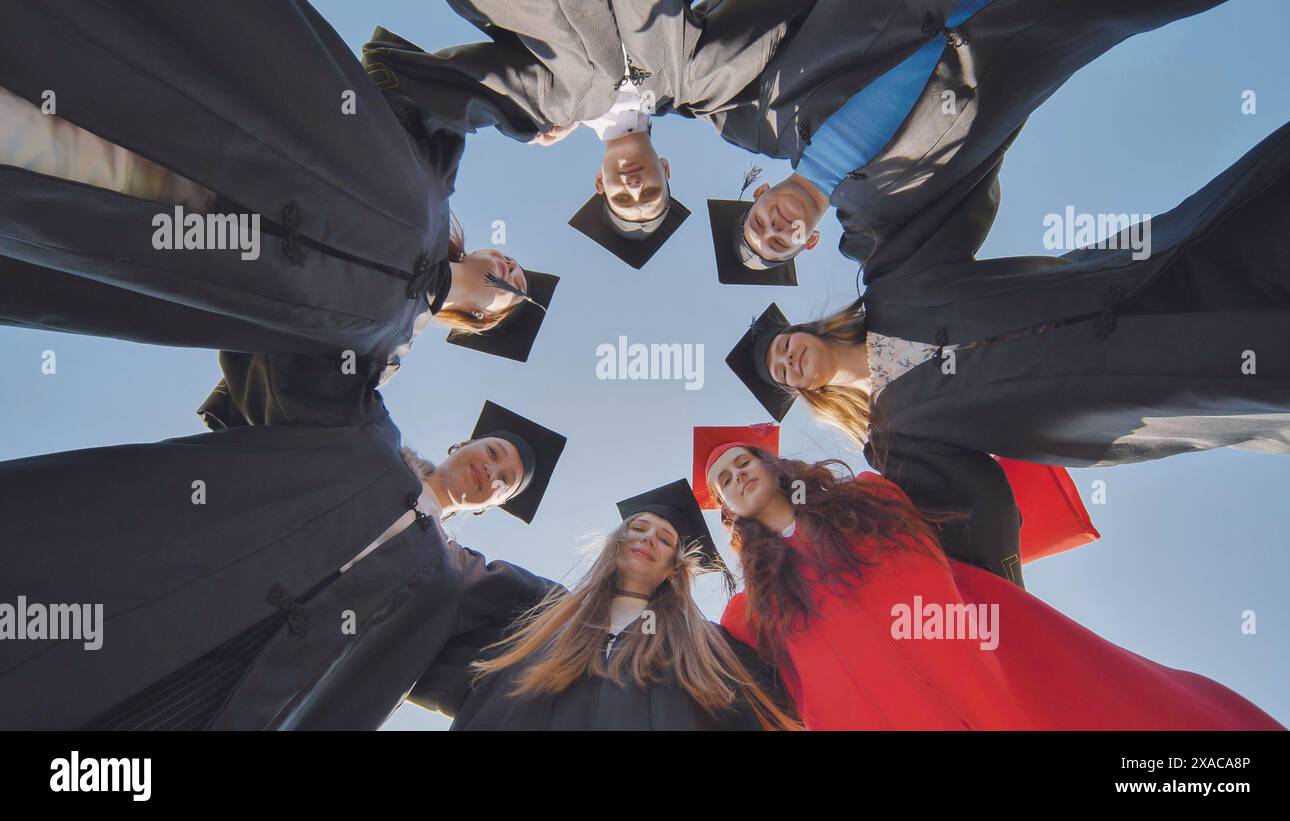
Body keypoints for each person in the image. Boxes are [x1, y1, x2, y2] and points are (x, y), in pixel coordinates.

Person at [0, 352, 566, 729]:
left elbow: (556, 613)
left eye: (504, 483)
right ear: (463, 443)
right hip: (178, 595)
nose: (490, 472)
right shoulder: (367, 443)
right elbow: (309, 365)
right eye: (491, 453)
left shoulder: (454, 576)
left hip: (242, 684)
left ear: (493, 506)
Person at [723, 116, 1290, 468]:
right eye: (782, 373)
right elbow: (972, 516)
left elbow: (951, 186)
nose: (788, 359)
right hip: (1141, 393)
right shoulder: (894, 437)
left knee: (1265, 224)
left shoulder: (894, 279)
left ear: (803, 330)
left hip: (1128, 278)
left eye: (782, 346)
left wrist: (858, 215)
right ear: (802, 389)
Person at [0, 0, 551, 362]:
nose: (508, 272)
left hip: (151, 229)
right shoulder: (434, 179)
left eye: (513, 292)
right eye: (512, 263)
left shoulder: (381, 354)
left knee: (32, 169)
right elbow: (429, 90)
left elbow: (299, 421)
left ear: (480, 318)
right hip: (200, 123)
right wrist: (529, 111)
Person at [697, 427, 1285, 730]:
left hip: (985, 664)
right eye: (724, 478)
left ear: (772, 464)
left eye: (743, 460)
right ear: (726, 509)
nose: (737, 473)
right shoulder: (748, 611)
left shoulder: (868, 501)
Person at [703, 0, 1224, 275]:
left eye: (758, 225)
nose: (775, 228)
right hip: (1032, 23)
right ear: (809, 242)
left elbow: (693, 64)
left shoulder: (764, 116)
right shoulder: (879, 220)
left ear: (758, 196)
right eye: (780, 244)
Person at [362, 0, 814, 268]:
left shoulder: (545, 104)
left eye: (622, 198)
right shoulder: (694, 84)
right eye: (651, 192)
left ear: (601, 184)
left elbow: (416, 94)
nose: (634, 187)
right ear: (666, 168)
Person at [411, 479, 799, 730]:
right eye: (638, 528)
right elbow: (448, 582)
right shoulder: (540, 612)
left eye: (664, 539)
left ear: (673, 570)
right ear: (615, 543)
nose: (647, 539)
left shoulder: (708, 647)